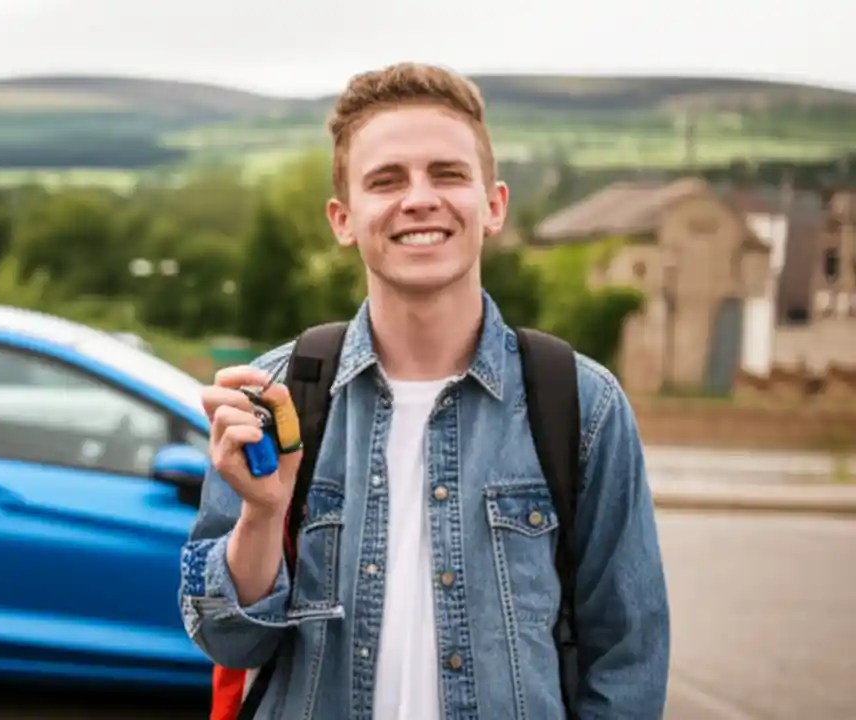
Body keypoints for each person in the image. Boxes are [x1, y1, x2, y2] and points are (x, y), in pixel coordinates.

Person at [178, 62, 669, 719]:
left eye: (447, 174)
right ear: (343, 219)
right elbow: (227, 639)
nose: (420, 199)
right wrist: (264, 514)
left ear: (493, 206)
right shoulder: (277, 399)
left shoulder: (582, 406)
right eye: (386, 180)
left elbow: (628, 661)